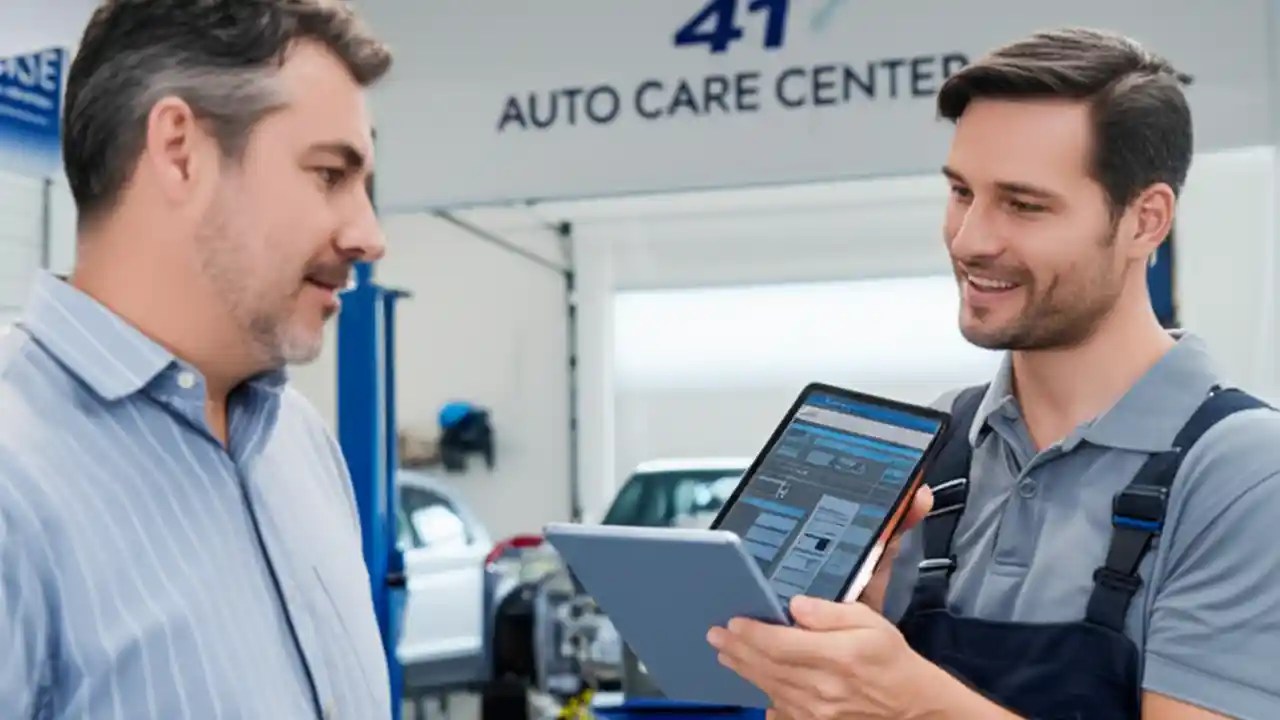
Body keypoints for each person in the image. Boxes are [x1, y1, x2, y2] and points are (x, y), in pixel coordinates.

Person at [708, 27, 1280, 720]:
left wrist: (914, 701)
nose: (971, 238)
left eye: (1024, 204)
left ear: (1145, 221)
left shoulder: (1244, 474)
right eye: (961, 193)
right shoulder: (941, 443)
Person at [0, 1, 393, 717]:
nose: (369, 235)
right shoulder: (13, 484)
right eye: (330, 174)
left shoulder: (301, 446)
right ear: (180, 151)